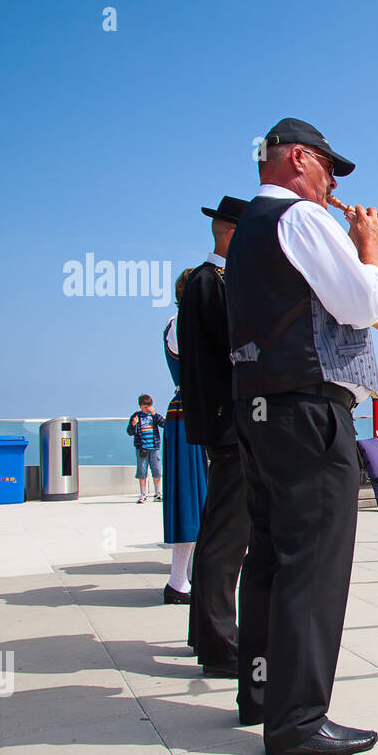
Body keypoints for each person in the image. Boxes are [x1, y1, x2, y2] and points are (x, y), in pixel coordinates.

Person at [225, 117, 378, 755]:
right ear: (301, 159)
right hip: (307, 407)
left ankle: (263, 694)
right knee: (314, 563)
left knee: (269, 557)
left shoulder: (248, 230)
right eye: (329, 169)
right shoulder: (301, 219)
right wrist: (370, 245)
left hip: (261, 406)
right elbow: (361, 304)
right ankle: (297, 720)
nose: (332, 185)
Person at [179, 195, 248, 676]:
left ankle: (207, 634)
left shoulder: (210, 282)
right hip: (231, 423)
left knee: (220, 533)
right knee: (228, 536)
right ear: (231, 234)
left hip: (227, 421)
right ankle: (221, 643)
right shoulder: (212, 283)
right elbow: (238, 346)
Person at [161, 269, 208, 608]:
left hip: (193, 411)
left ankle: (185, 578)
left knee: (202, 497)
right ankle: (178, 580)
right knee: (192, 498)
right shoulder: (180, 322)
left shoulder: (179, 322)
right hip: (193, 412)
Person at [127, 395, 164, 502]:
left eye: (148, 406)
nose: (146, 409)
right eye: (144, 407)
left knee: (156, 470)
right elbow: (130, 432)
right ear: (140, 406)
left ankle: (158, 493)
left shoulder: (154, 416)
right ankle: (143, 494)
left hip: (154, 448)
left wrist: (155, 414)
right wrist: (133, 424)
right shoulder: (136, 416)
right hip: (142, 449)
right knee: (142, 471)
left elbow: (163, 423)